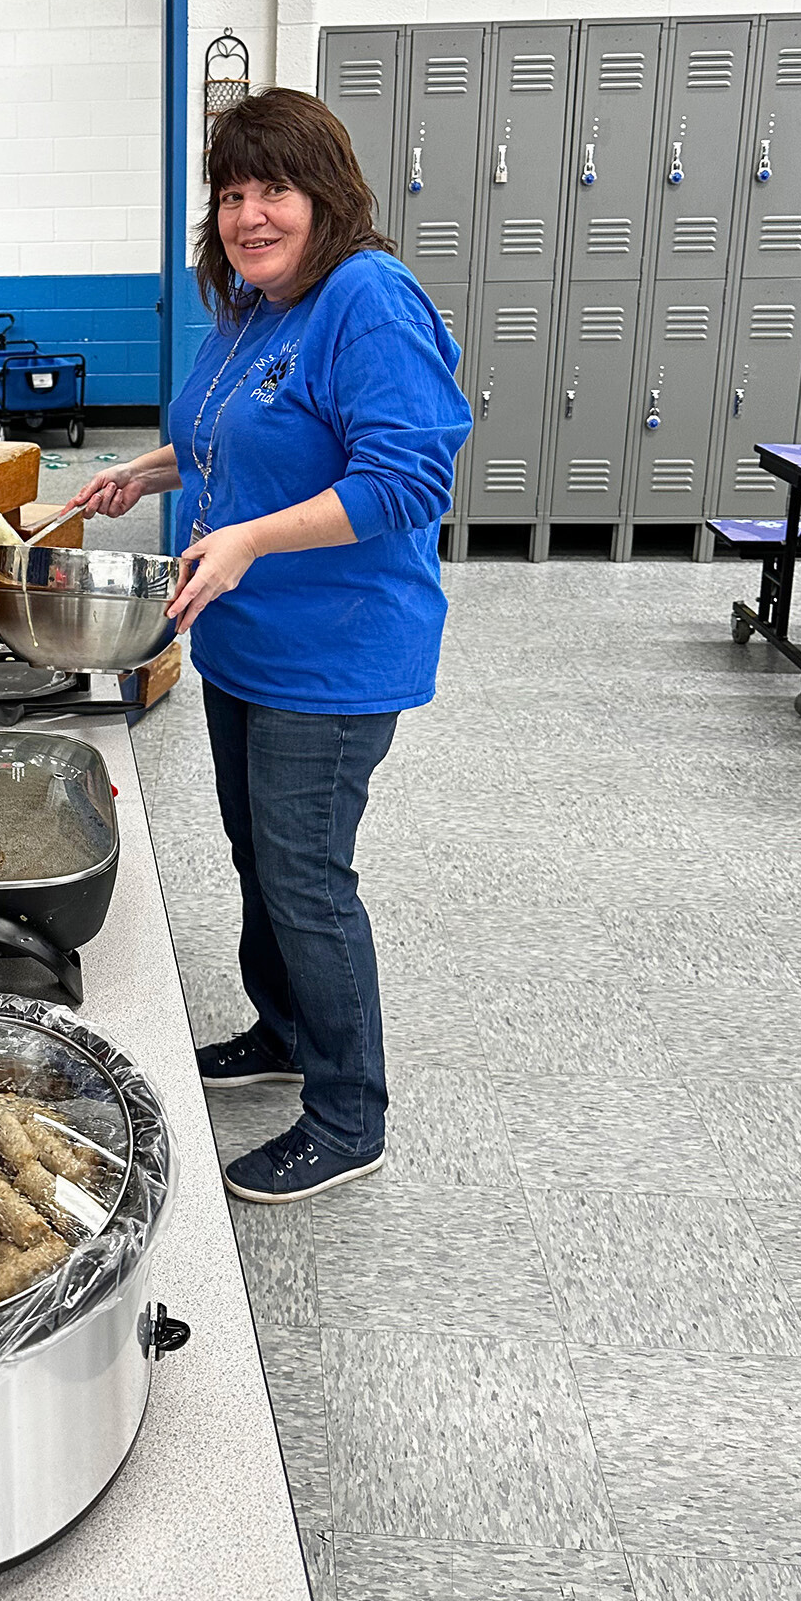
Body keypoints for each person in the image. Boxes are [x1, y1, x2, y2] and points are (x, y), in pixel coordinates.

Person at [67, 87, 472, 1203]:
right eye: (233, 193)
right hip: (241, 641)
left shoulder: (365, 299)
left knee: (306, 880)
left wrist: (247, 536)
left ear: (325, 195)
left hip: (335, 655)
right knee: (260, 859)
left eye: (273, 190)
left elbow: (405, 480)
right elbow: (219, 434)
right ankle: (282, 1030)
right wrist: (145, 471)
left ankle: (349, 1115)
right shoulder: (253, 306)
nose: (250, 215)